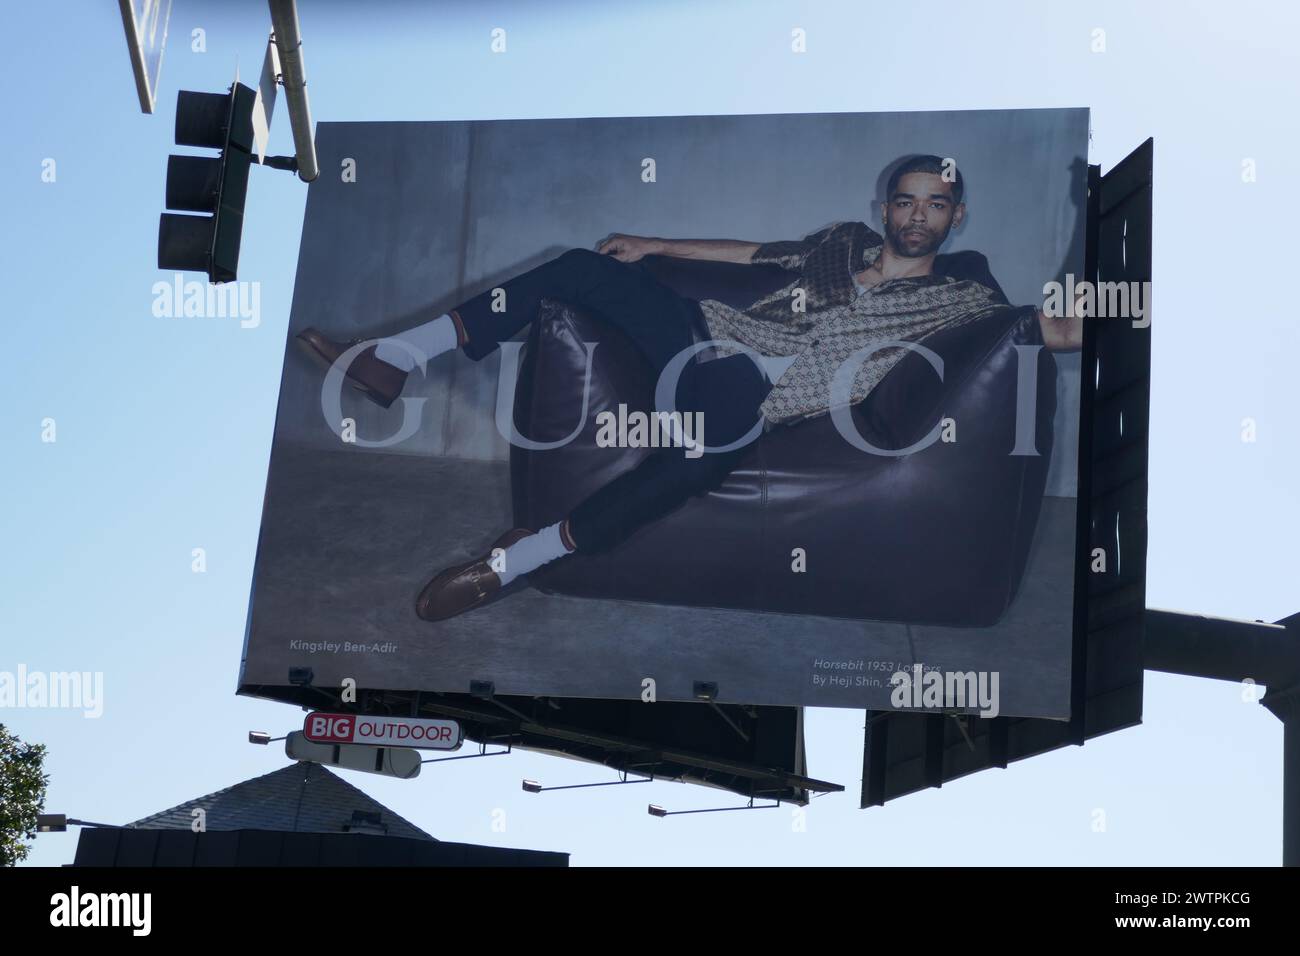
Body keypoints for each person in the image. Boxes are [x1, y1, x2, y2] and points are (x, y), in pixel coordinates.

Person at [296, 154, 1082, 622]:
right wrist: (654, 242)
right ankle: (398, 358)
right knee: (579, 265)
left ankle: (515, 562)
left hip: (761, 396)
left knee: (710, 452)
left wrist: (1119, 245)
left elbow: (1063, 328)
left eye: (934, 204)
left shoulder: (964, 300)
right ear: (886, 209)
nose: (917, 215)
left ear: (955, 215)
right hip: (705, 336)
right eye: (905, 201)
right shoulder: (841, 244)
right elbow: (753, 254)